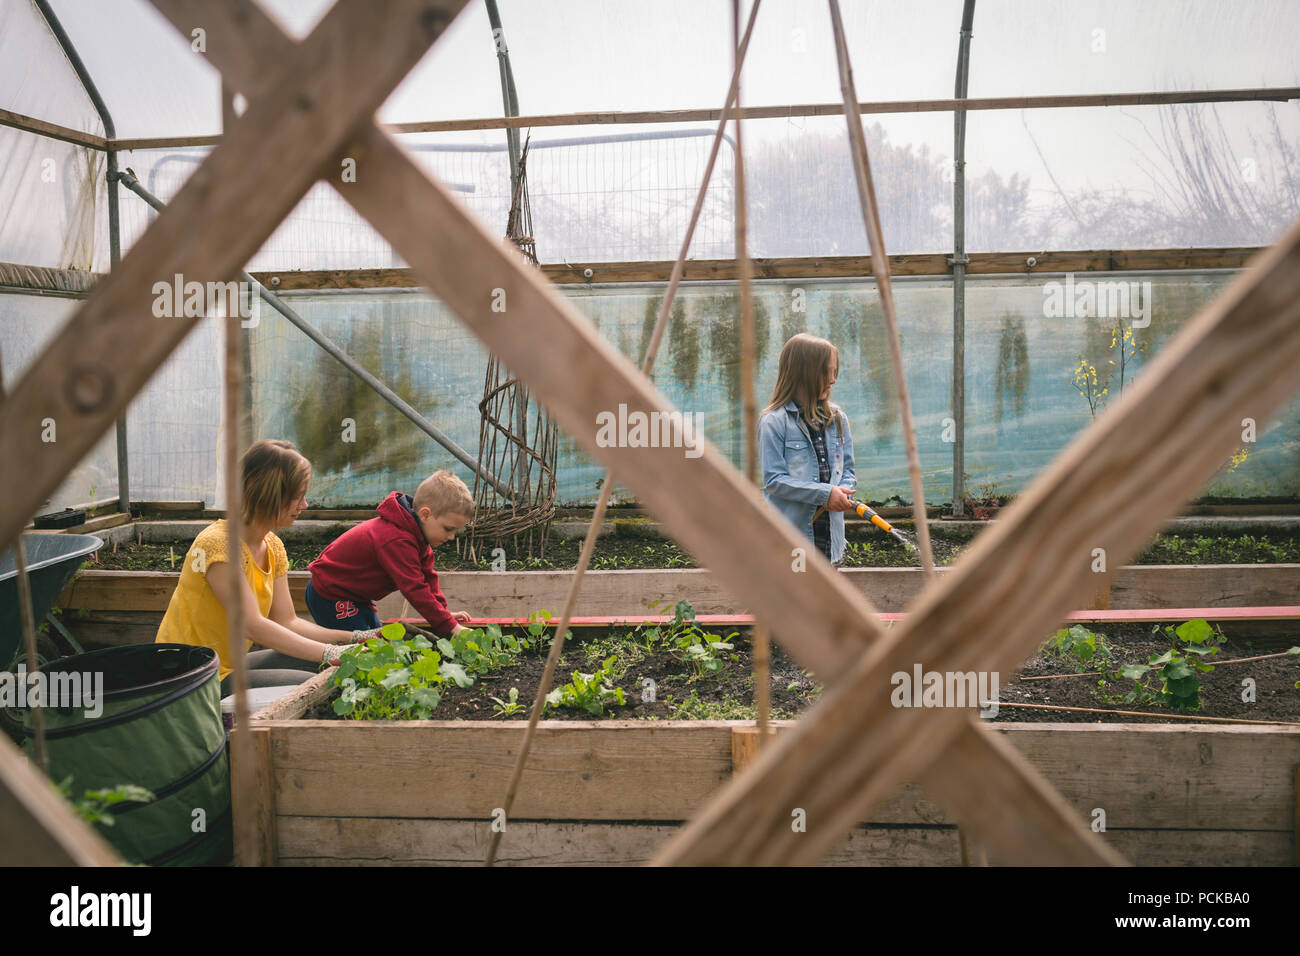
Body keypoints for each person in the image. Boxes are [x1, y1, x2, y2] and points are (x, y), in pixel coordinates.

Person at [156, 440, 375, 696]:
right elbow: (252, 625)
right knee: (316, 685)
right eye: (298, 496)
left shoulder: (272, 546)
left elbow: (288, 622)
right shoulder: (218, 544)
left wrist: (356, 638)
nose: (304, 505)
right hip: (189, 676)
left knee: (322, 665)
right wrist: (334, 652)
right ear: (271, 493)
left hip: (225, 667)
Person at [306, 471, 475, 638]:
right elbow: (415, 588)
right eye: (448, 529)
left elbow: (428, 579)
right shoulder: (397, 540)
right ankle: (305, 661)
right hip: (331, 594)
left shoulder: (417, 537)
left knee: (377, 640)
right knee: (360, 650)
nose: (452, 537)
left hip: (357, 597)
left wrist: (443, 614)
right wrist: (450, 626)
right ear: (425, 514)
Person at [758, 332, 857, 567]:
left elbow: (849, 471)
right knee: (793, 602)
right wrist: (825, 494)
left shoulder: (838, 419)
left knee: (825, 603)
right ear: (805, 373)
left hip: (829, 540)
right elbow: (774, 480)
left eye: (835, 372)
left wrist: (843, 492)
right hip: (791, 541)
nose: (833, 380)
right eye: (827, 372)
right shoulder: (774, 421)